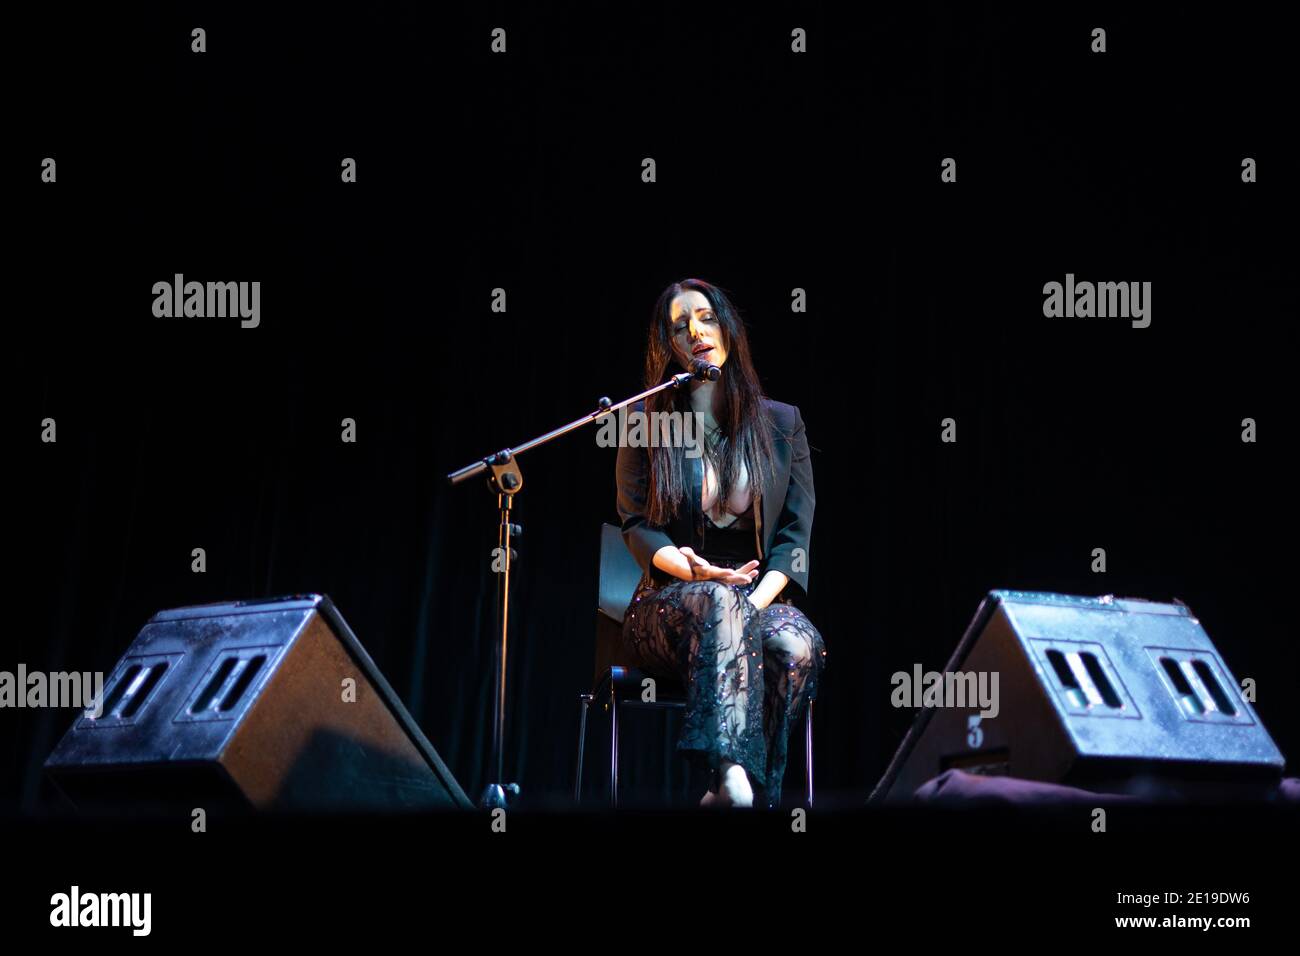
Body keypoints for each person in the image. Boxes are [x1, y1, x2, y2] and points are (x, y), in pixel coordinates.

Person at [615, 278, 827, 809]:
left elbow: (794, 539)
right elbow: (636, 525)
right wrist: (693, 573)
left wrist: (751, 606)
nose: (696, 331)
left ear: (727, 328)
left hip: (759, 597)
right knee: (716, 602)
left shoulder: (782, 423)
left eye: (706, 317)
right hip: (671, 597)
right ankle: (730, 777)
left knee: (795, 645)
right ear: (669, 347)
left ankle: (748, 797)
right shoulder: (644, 419)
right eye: (680, 326)